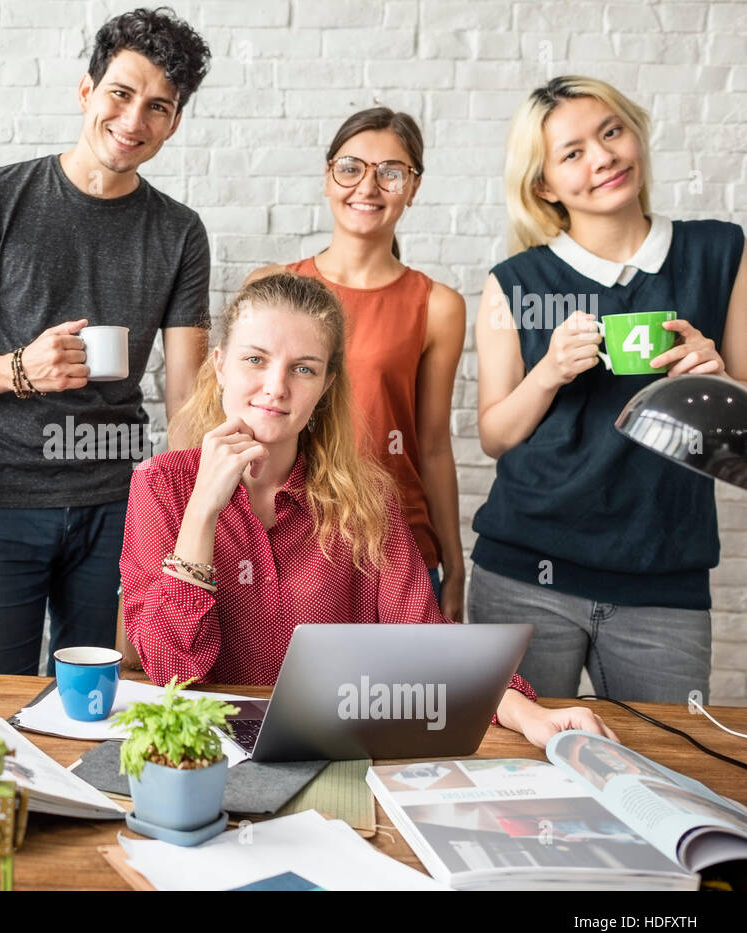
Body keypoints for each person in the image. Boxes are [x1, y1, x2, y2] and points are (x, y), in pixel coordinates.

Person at [122, 273, 615, 748]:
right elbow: (173, 670)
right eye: (256, 359)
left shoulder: (367, 500)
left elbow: (423, 642)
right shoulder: (161, 485)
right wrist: (203, 511)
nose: (276, 387)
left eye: (303, 368)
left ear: (324, 386)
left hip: (334, 750)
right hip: (208, 755)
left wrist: (527, 713)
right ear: (220, 365)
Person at [0, 7, 213, 675]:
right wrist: (21, 369)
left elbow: (186, 399)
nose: (133, 120)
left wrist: (188, 513)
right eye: (121, 93)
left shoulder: (180, 233)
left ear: (174, 124)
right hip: (1, 500)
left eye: (158, 107)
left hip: (120, 509)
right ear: (87, 92)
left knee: (106, 706)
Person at [469, 76, 747, 702]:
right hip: (524, 574)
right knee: (518, 777)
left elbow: (742, 433)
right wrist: (549, 372)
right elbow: (495, 436)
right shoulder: (516, 281)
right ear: (544, 185)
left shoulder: (720, 251)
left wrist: (719, 374)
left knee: (666, 773)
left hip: (664, 577)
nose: (603, 157)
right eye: (572, 152)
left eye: (612, 132)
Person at [243, 107, 466, 620]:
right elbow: (240, 415)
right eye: (351, 167)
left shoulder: (438, 306)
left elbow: (431, 446)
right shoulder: (270, 285)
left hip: (397, 545)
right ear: (327, 177)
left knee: (400, 699)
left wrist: (454, 567)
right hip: (290, 534)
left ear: (412, 188)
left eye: (391, 172)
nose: (368, 186)